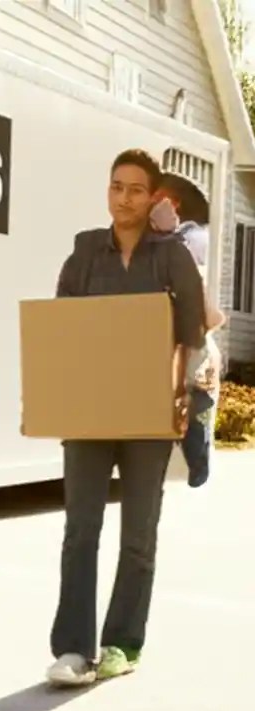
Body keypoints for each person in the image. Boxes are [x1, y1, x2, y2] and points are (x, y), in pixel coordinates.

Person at [45, 149, 205, 687]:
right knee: (80, 531)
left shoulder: (172, 256)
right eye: (116, 187)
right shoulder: (85, 253)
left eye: (136, 189)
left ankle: (121, 643)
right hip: (89, 411)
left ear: (153, 196)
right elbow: (59, 329)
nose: (124, 198)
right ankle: (71, 649)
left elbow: (191, 336)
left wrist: (184, 396)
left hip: (149, 413)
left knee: (139, 534)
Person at [149, 173, 223, 488]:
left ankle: (198, 428)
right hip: (174, 333)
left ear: (172, 203)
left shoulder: (193, 239)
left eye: (154, 197)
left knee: (190, 386)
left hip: (193, 337)